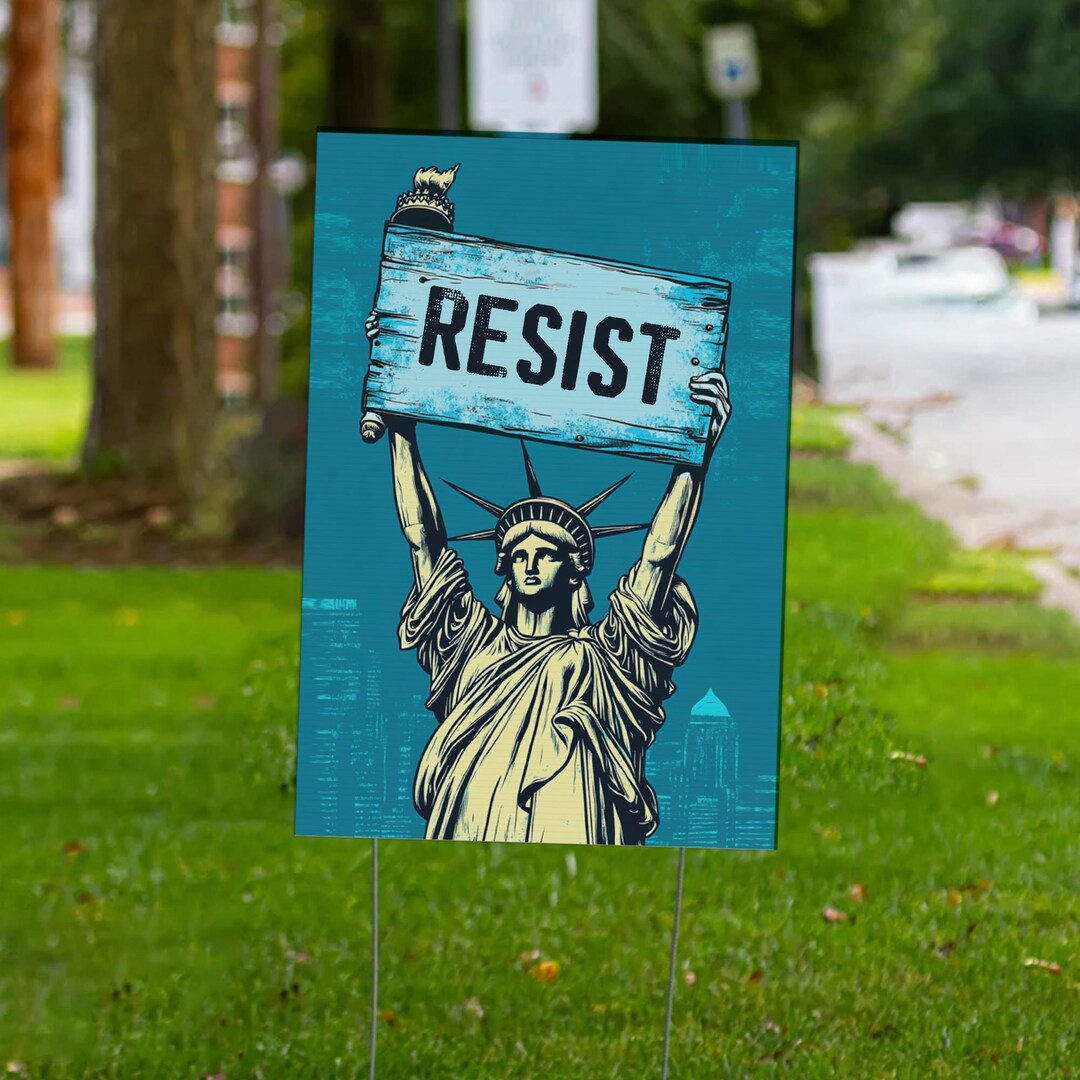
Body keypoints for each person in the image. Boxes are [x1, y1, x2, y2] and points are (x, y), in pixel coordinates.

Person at [367, 316, 731, 844]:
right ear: (505, 571)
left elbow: (659, 556)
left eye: (547, 554)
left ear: (575, 571)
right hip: (470, 823)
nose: (531, 563)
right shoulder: (469, 643)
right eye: (517, 554)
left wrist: (695, 456)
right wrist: (398, 414)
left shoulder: (605, 656)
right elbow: (423, 537)